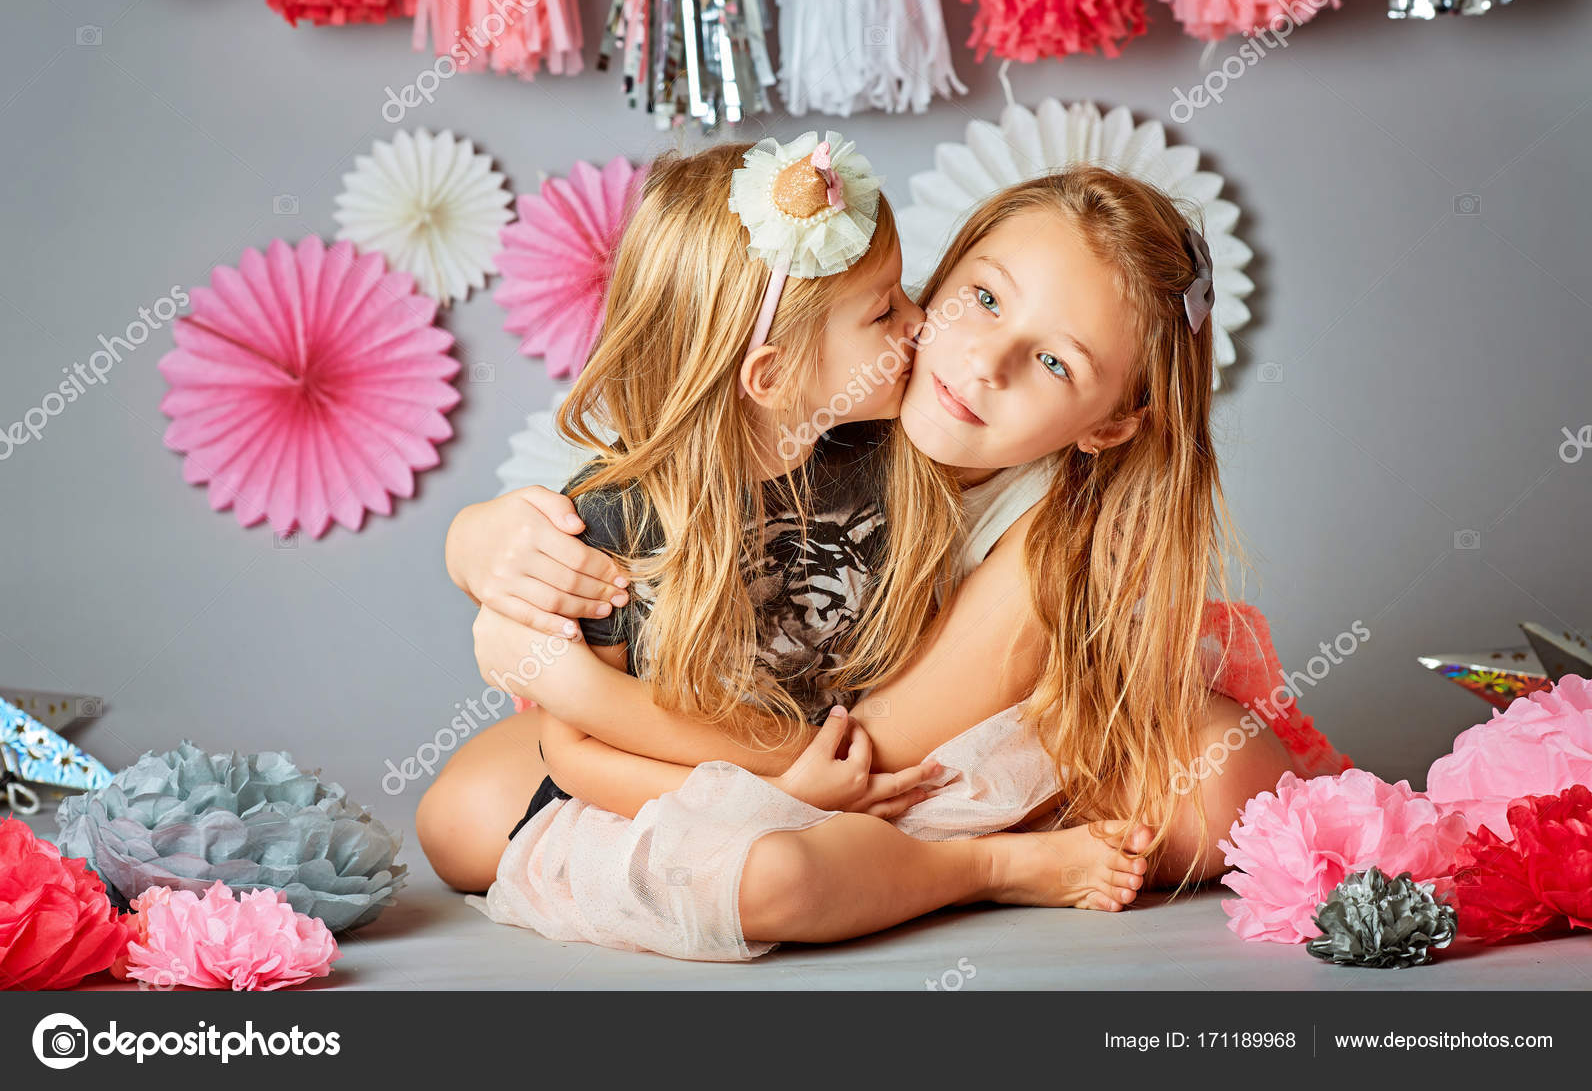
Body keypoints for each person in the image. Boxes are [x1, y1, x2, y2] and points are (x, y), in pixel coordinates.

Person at [434, 165, 1351, 960]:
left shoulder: (1059, 533)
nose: (985, 362)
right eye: (983, 299)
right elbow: (651, 495)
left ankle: (979, 862)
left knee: (1231, 793)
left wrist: (585, 698)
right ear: (942, 274)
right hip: (751, 703)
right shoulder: (842, 380)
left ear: (1112, 422)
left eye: (1056, 364)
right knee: (460, 819)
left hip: (905, 749)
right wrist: (480, 545)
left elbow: (869, 747)